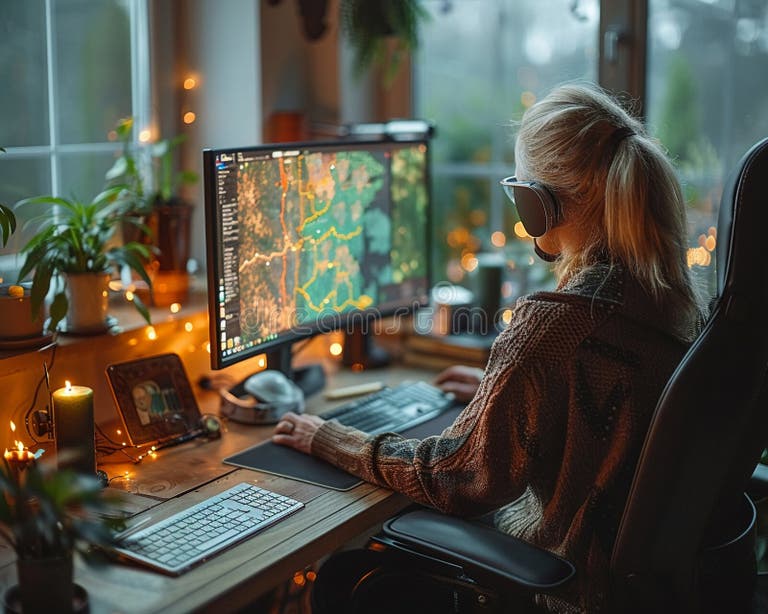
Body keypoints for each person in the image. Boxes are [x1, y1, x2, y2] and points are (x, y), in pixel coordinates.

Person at [271, 82, 703, 613]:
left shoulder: (552, 325)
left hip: (567, 590)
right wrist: (507, 398)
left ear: (535, 204)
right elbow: (618, 412)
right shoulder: (672, 300)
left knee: (348, 574)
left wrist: (331, 440)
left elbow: (463, 478)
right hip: (645, 589)